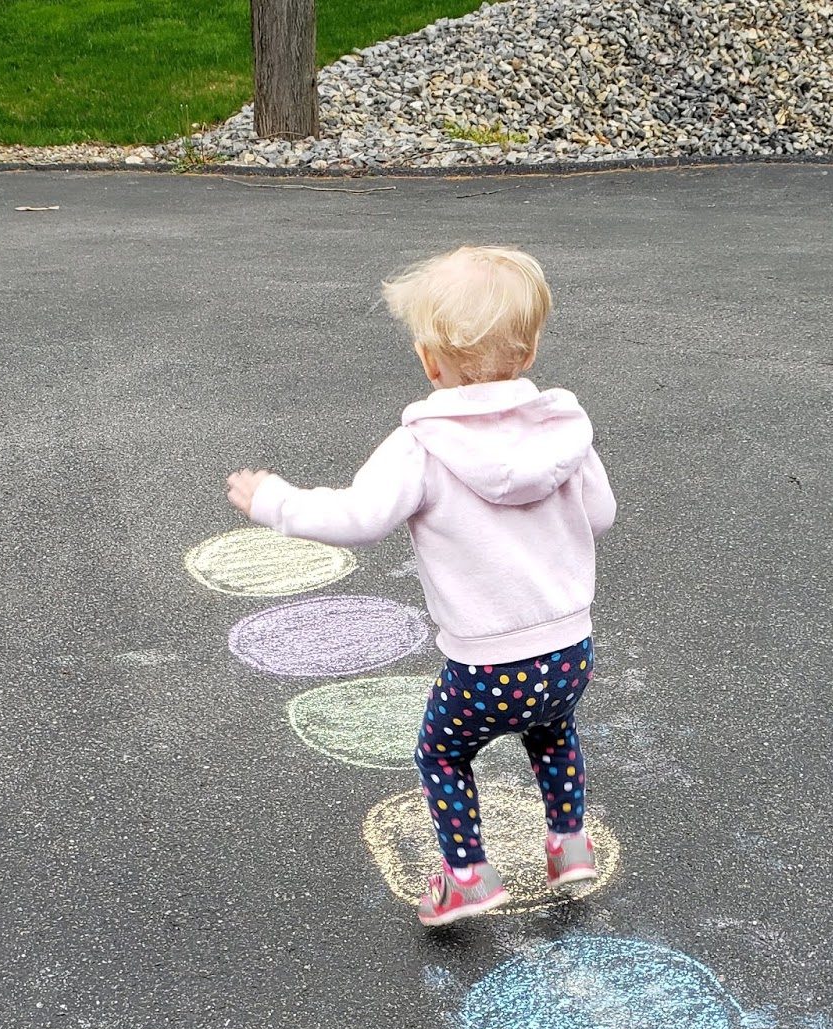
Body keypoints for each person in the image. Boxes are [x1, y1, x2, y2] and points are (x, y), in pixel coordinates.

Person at [226, 244, 616, 927]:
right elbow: (601, 515)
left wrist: (275, 502)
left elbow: (359, 518)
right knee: (551, 732)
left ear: (429, 361)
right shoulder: (563, 432)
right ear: (528, 353)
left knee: (442, 751)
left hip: (486, 664)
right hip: (568, 651)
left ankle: (466, 875)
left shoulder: (422, 445)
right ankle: (570, 843)